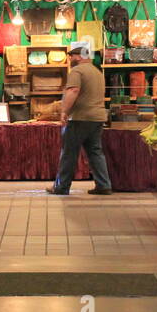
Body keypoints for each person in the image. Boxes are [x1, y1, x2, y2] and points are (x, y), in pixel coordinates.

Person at [48, 37, 112, 195]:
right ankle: (104, 185)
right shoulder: (97, 72)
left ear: (80, 56)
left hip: (80, 118)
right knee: (95, 152)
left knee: (69, 152)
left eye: (72, 56)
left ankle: (61, 187)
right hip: (97, 118)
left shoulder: (77, 71)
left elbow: (73, 91)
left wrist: (64, 111)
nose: (70, 59)